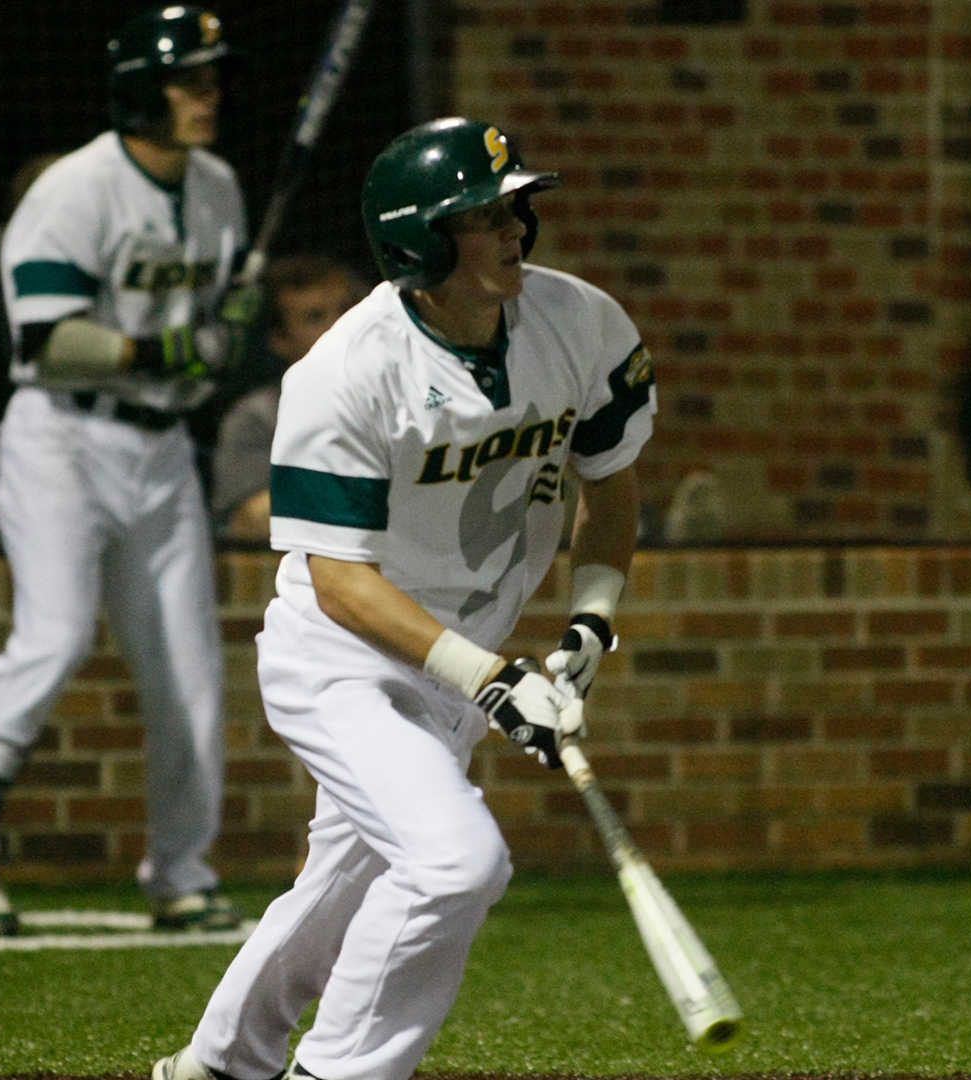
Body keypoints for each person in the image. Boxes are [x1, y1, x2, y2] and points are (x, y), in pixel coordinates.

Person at [152, 116, 655, 1080]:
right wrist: (493, 681)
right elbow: (340, 581)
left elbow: (612, 482)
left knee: (346, 883)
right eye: (480, 214)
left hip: (465, 659)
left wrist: (591, 619)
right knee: (456, 861)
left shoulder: (582, 322)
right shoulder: (347, 370)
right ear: (419, 239)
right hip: (341, 656)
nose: (513, 228)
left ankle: (215, 1067)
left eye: (516, 208)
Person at [0, 4, 246, 937]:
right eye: (191, 80)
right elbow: (46, 337)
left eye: (214, 79)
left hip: (164, 451)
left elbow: (204, 332)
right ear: (143, 90)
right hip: (63, 438)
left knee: (190, 672)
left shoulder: (218, 188)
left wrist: (222, 334)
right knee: (54, 636)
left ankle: (182, 869)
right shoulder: (74, 189)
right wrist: (168, 351)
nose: (208, 96)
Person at [209, 255, 364, 542]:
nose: (339, 327)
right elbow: (253, 517)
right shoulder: (257, 417)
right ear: (279, 339)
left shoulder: (407, 398)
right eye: (315, 317)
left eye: (347, 309)